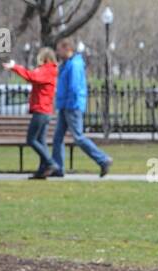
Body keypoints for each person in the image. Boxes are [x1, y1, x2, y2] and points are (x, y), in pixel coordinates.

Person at [51, 37, 112, 178]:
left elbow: (73, 87)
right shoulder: (67, 64)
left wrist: (69, 104)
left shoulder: (74, 65)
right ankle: (58, 168)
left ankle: (103, 159)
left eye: (60, 49)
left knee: (78, 137)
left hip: (72, 106)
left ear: (68, 49)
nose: (57, 52)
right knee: (57, 137)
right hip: (65, 105)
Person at [3, 48, 60, 180]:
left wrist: (14, 67)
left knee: (31, 139)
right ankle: (42, 171)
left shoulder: (47, 70)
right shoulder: (50, 71)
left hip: (41, 110)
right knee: (41, 141)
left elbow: (31, 76)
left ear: (45, 58)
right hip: (45, 110)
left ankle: (51, 163)